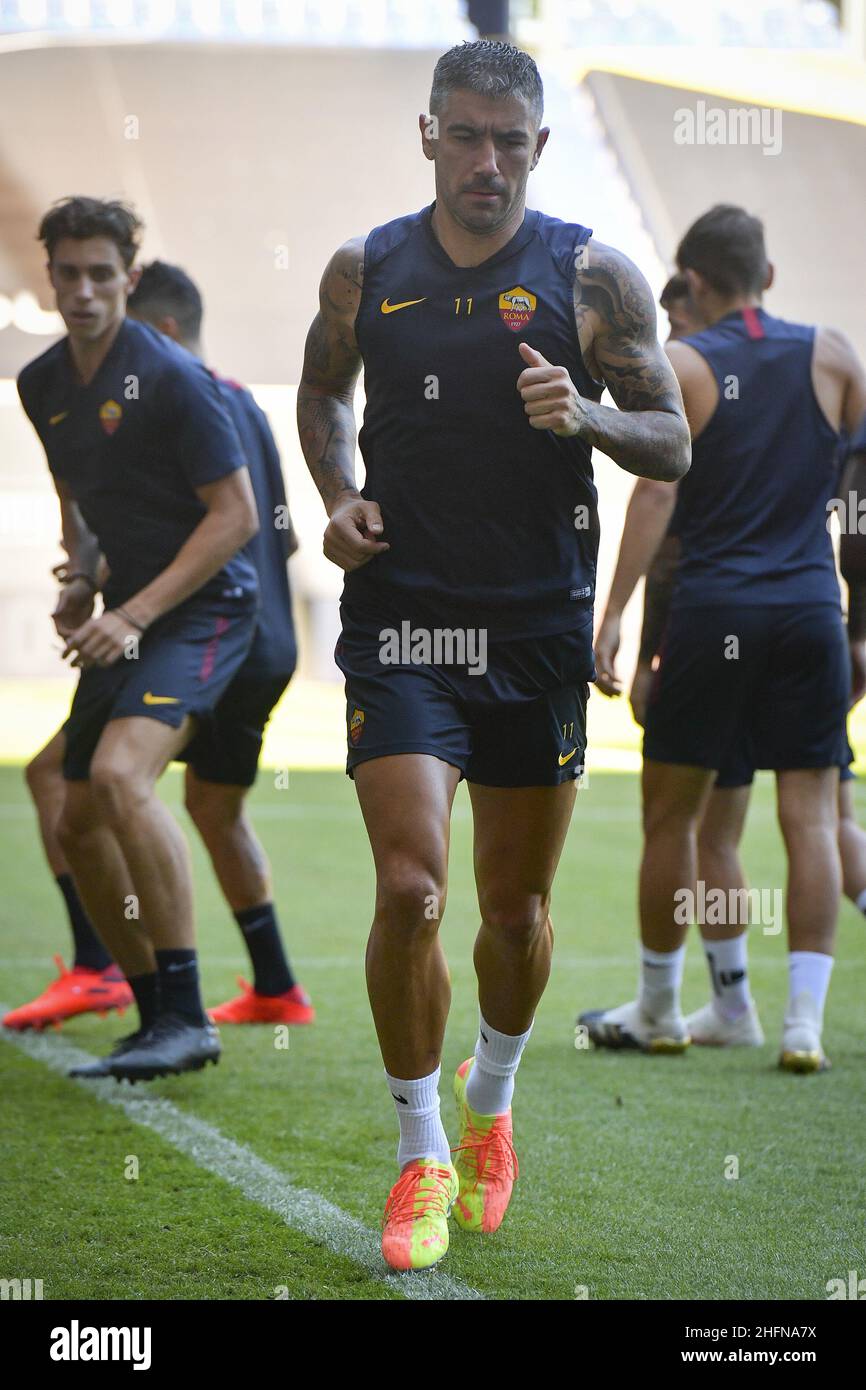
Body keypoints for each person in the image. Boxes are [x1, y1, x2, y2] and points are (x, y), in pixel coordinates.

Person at [296, 39, 689, 1271]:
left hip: (533, 630)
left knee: (512, 914)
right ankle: (418, 1155)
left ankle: (490, 1102)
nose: (484, 161)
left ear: (538, 147)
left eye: (507, 140)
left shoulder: (587, 276)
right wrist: (337, 491)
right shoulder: (369, 268)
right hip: (403, 626)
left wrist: (587, 413)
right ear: (426, 135)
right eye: (463, 135)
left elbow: (671, 438)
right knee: (412, 891)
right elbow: (319, 397)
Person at [584, 205, 866, 1072]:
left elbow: (658, 497)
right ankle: (801, 1026)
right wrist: (859, 623)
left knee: (675, 815)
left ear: (693, 282)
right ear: (768, 275)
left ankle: (664, 1007)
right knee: (812, 817)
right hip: (811, 612)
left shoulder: (686, 363)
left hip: (714, 614)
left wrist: (616, 615)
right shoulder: (835, 355)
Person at [4, 260, 314, 1036]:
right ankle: (275, 985)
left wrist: (117, 593)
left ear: (161, 332)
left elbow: (211, 522)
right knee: (213, 807)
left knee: (66, 777)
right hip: (264, 637)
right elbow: (272, 530)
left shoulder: (177, 390)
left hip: (216, 634)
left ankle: (101, 969)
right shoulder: (240, 400)